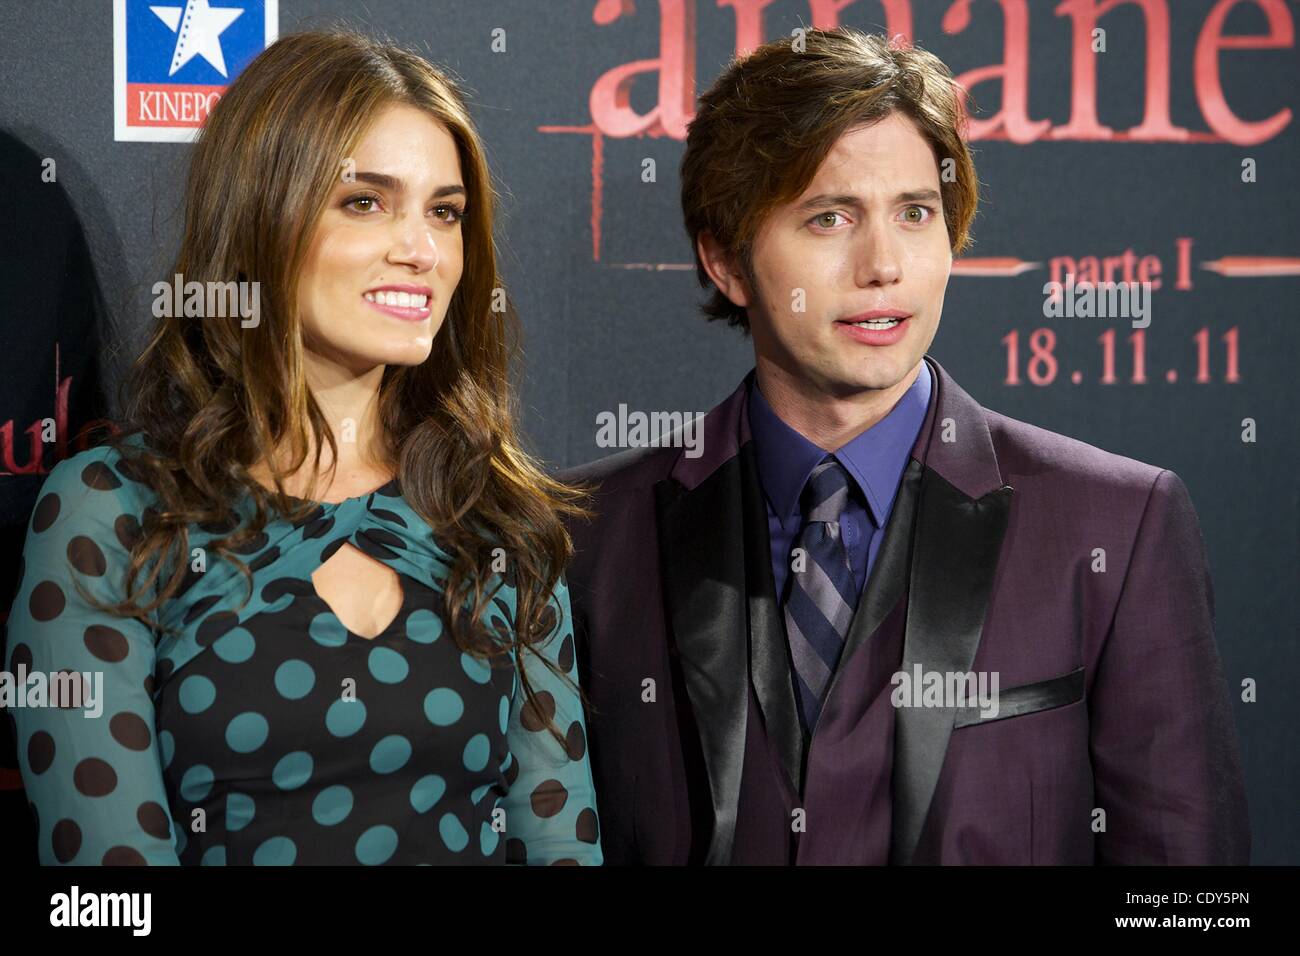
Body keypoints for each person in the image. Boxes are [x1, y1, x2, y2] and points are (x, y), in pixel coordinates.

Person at [560, 28, 1248, 865]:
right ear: (727, 262)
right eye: (829, 217)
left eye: (915, 214)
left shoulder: (1117, 524)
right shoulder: (585, 537)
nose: (883, 265)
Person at [6, 28, 601, 866]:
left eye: (445, 212)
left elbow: (558, 837)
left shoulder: (496, 519)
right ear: (261, 220)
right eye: (365, 201)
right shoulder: (115, 512)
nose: (421, 250)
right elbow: (109, 889)